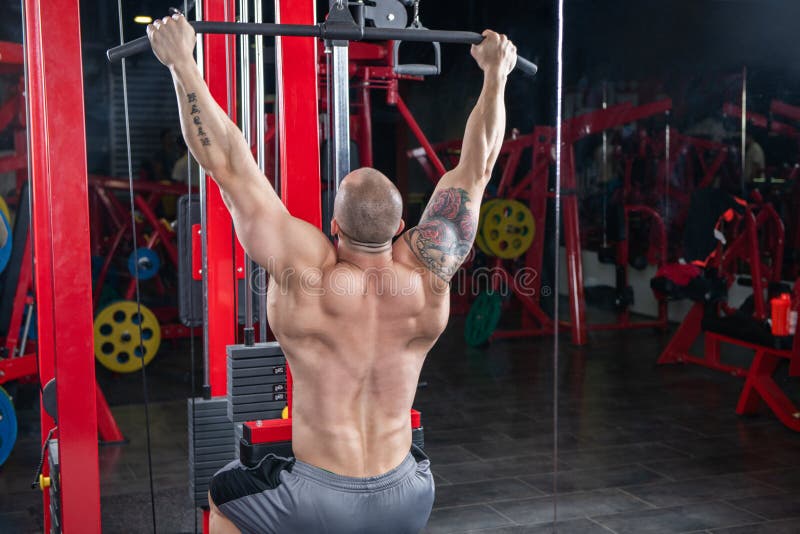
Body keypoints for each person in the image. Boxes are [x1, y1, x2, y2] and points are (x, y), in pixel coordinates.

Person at [147, 12, 516, 534]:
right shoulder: (431, 267)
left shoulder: (306, 271)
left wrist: (183, 63)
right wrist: (495, 74)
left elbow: (228, 164)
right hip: (409, 495)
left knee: (224, 494)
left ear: (334, 225)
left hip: (317, 500)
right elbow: (478, 166)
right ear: (406, 225)